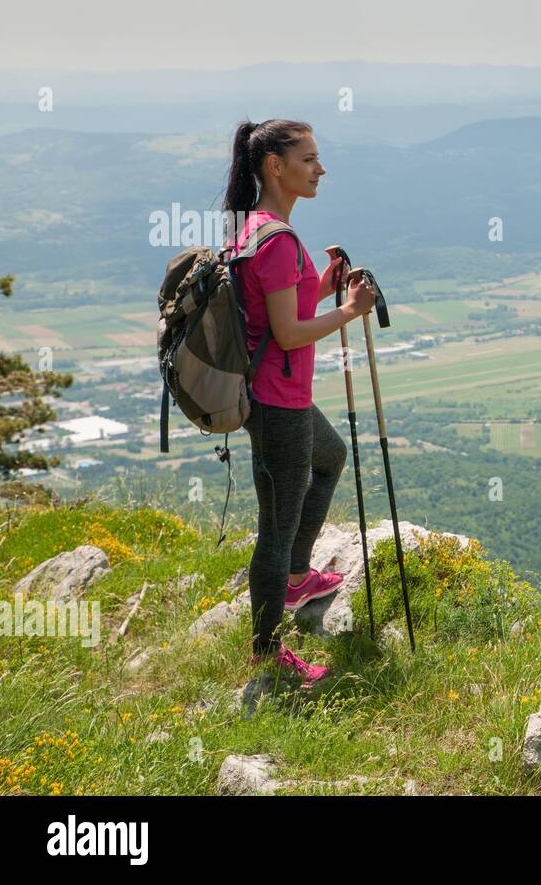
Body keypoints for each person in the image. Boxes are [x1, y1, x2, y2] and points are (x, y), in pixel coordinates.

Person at [221, 118, 376, 686]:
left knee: (329, 457)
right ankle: (267, 652)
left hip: (273, 395)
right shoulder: (277, 238)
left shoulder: (256, 229)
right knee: (276, 524)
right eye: (308, 159)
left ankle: (293, 575)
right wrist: (351, 310)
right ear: (275, 166)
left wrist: (325, 284)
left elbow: (274, 312)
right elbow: (287, 335)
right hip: (279, 402)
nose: (320, 168)